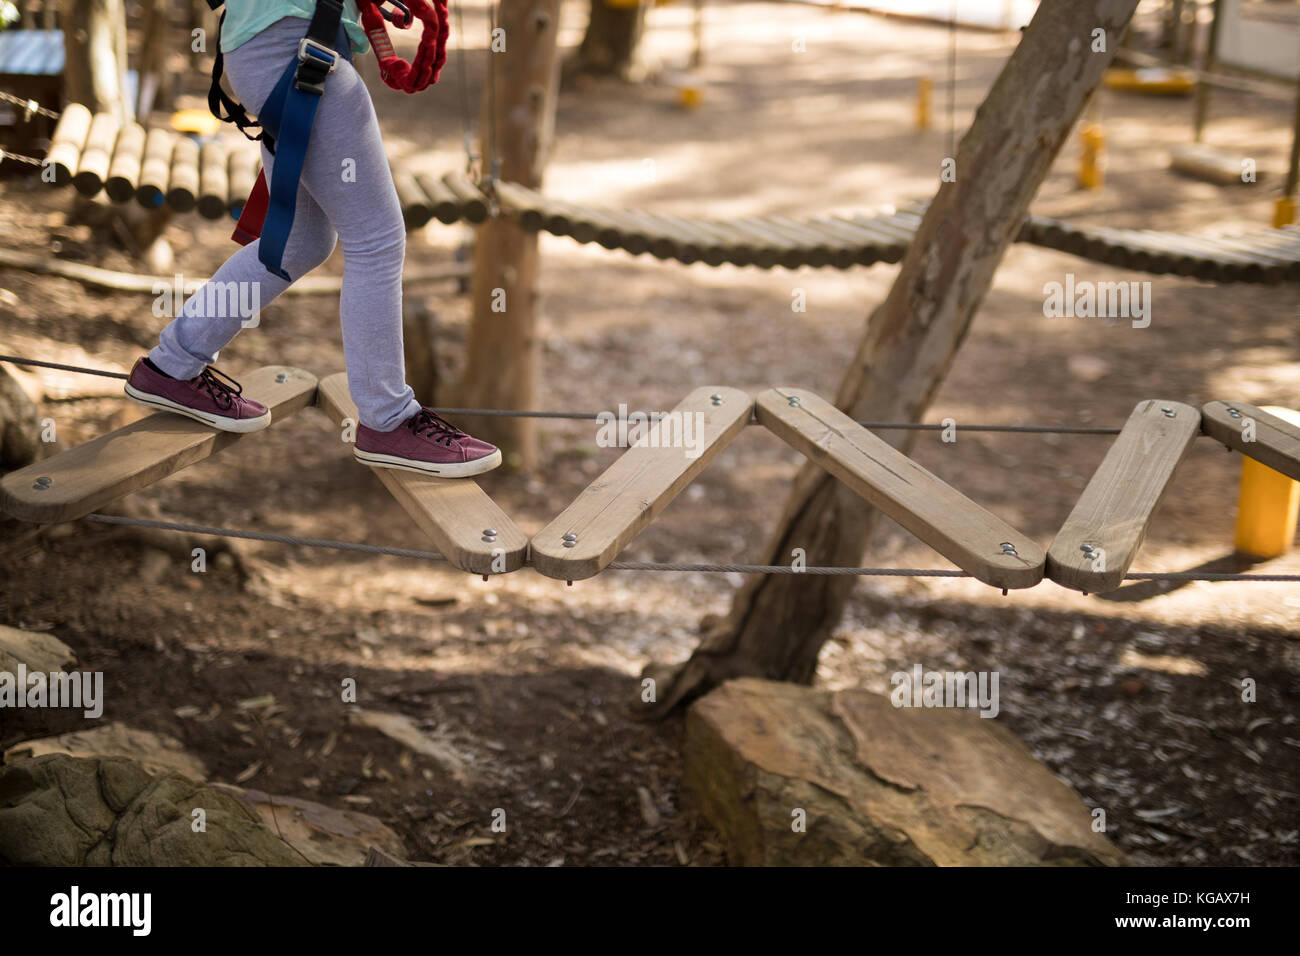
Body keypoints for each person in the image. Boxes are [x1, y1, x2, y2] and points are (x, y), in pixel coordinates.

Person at [123, 0, 500, 479]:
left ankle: (172, 364)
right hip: (294, 46)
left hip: (271, 46)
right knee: (378, 241)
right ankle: (388, 420)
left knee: (299, 243)